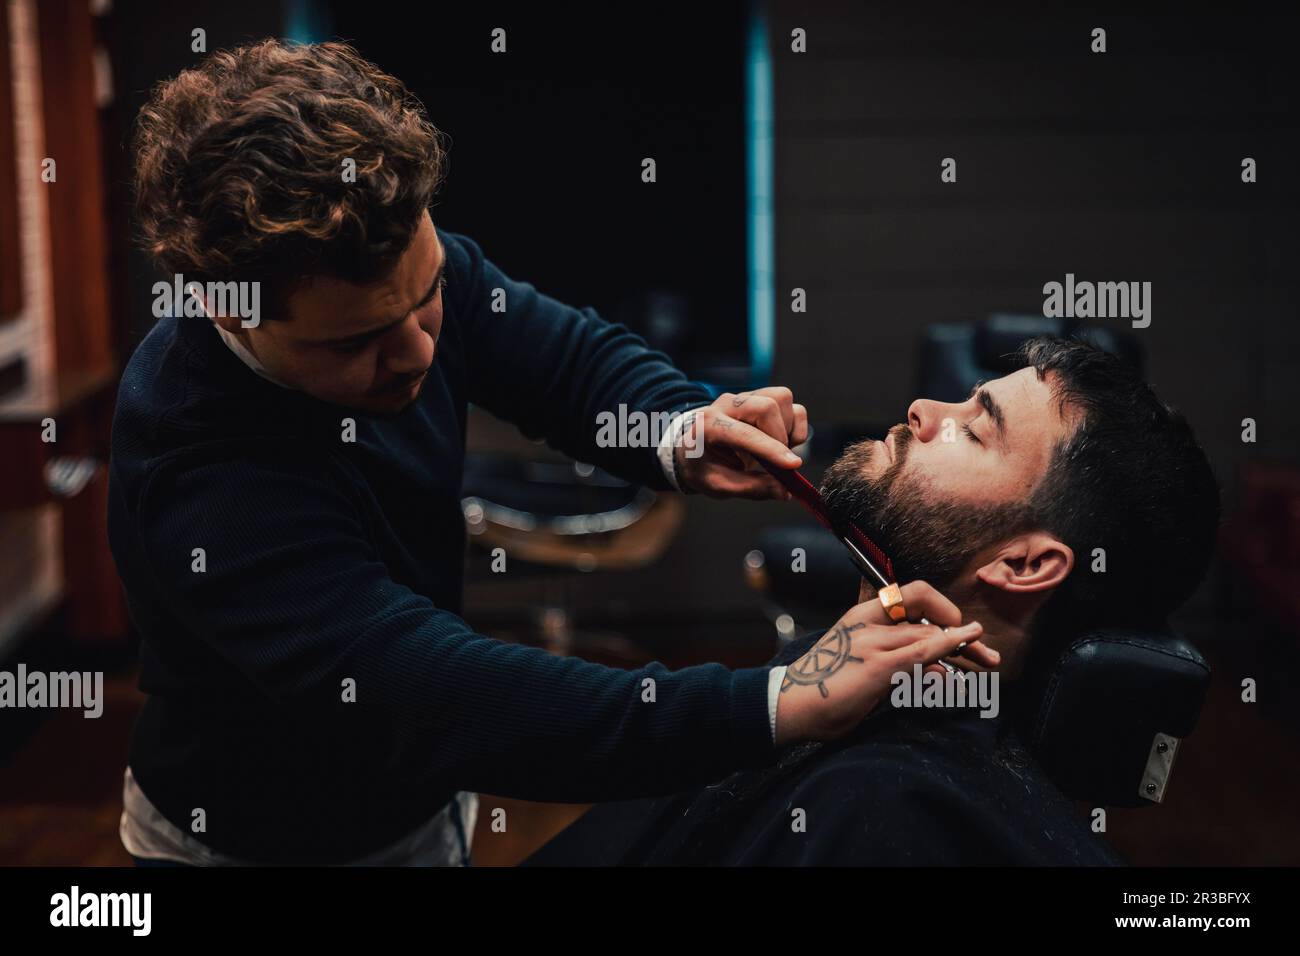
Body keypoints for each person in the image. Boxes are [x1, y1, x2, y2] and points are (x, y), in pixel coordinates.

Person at [108, 39, 996, 866]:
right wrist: (777, 699)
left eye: (429, 300)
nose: (419, 351)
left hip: (420, 812)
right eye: (360, 344)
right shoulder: (202, 475)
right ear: (229, 310)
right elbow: (432, 697)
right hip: (249, 843)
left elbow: (565, 361)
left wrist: (680, 428)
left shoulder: (391, 265)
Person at [526, 337, 1220, 865]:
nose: (921, 410)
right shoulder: (825, 702)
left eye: (975, 430)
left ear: (1026, 563)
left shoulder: (890, 814)